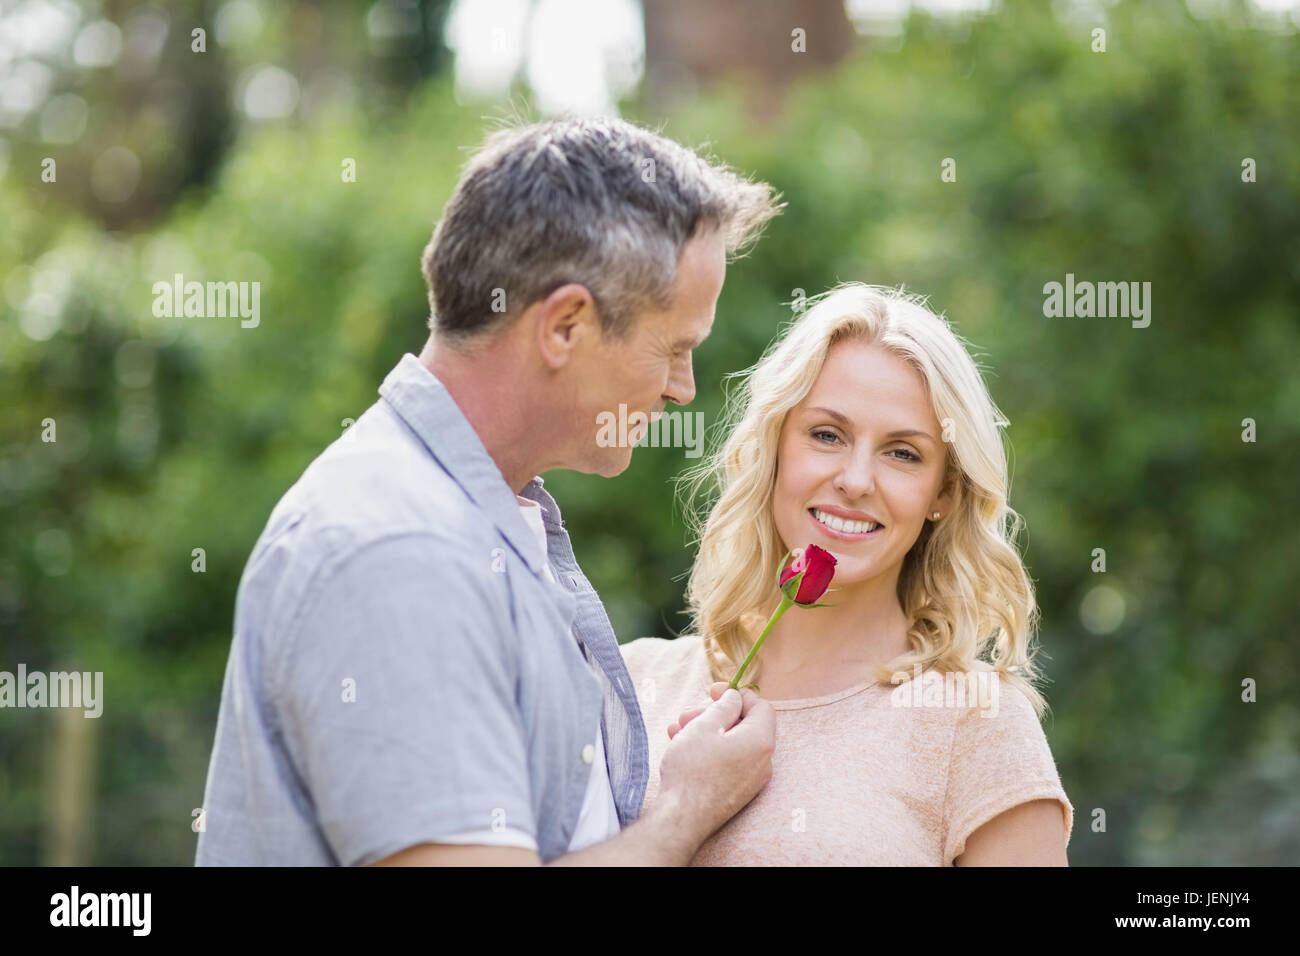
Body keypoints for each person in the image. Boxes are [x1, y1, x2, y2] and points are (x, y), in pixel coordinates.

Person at [195, 115, 784, 866]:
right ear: (565, 325)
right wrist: (685, 810)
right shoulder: (399, 550)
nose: (682, 389)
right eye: (674, 348)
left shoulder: (488, 519)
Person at [622, 283, 1074, 865]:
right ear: (775, 448)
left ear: (943, 492)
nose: (856, 480)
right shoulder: (630, 683)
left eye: (903, 453)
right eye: (827, 435)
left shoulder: (976, 722)